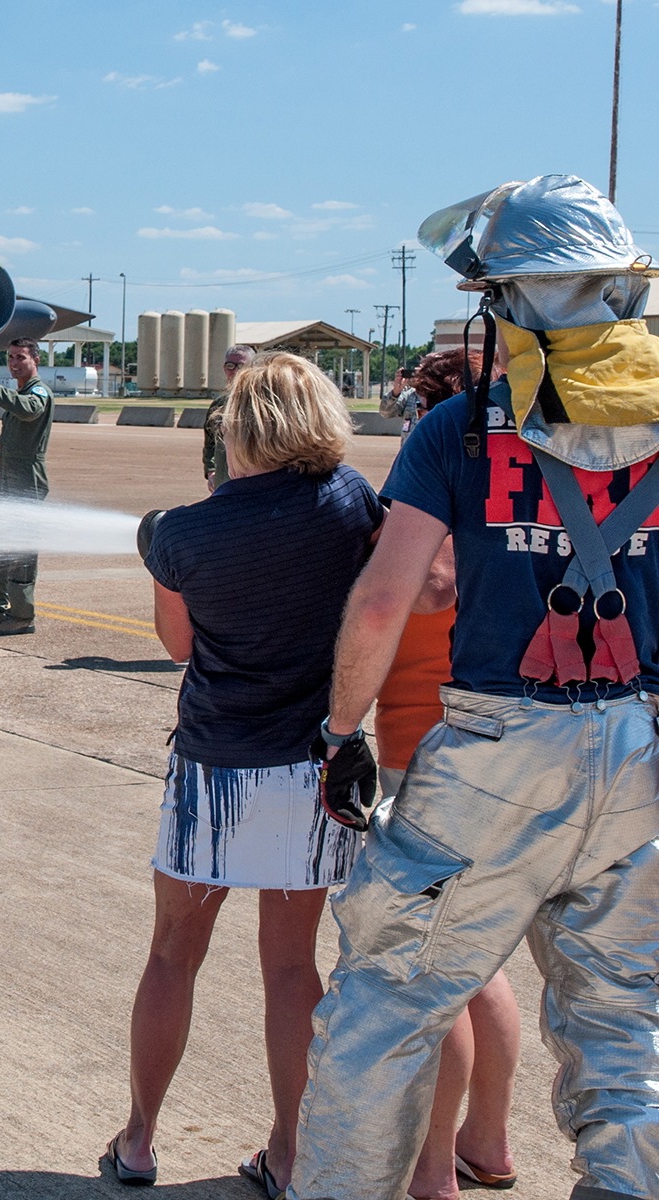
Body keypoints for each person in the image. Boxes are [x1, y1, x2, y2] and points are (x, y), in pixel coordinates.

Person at [293, 175, 659, 1200]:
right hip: (639, 749)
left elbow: (381, 603)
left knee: (385, 1011)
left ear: (509, 296)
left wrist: (341, 731)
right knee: (627, 1031)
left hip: (498, 753)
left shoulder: (458, 430)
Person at [108, 352, 379, 1196]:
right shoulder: (351, 505)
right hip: (311, 769)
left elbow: (180, 648)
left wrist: (159, 551)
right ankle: (289, 1154)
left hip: (215, 772)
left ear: (238, 429)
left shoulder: (187, 532)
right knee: (293, 968)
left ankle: (141, 1141)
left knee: (173, 955)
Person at [363, 348, 522, 1200]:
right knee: (487, 960)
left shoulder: (440, 466)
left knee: (437, 972)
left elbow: (413, 589)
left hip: (424, 750)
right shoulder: (524, 478)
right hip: (510, 744)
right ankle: (488, 1140)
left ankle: (431, 1169)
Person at [0, 338, 55, 635]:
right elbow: (20, 428)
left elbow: (29, 411)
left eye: (21, 358)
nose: (14, 363)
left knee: (21, 552)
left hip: (26, 481)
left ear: (35, 361)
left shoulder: (38, 392)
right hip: (6, 480)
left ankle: (22, 615)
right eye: (11, 358)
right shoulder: (18, 392)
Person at [202, 343, 257, 492]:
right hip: (224, 483)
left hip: (254, 482)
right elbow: (210, 442)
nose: (235, 371)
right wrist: (211, 470)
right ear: (224, 368)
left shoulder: (263, 403)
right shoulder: (219, 405)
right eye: (230, 365)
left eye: (241, 365)